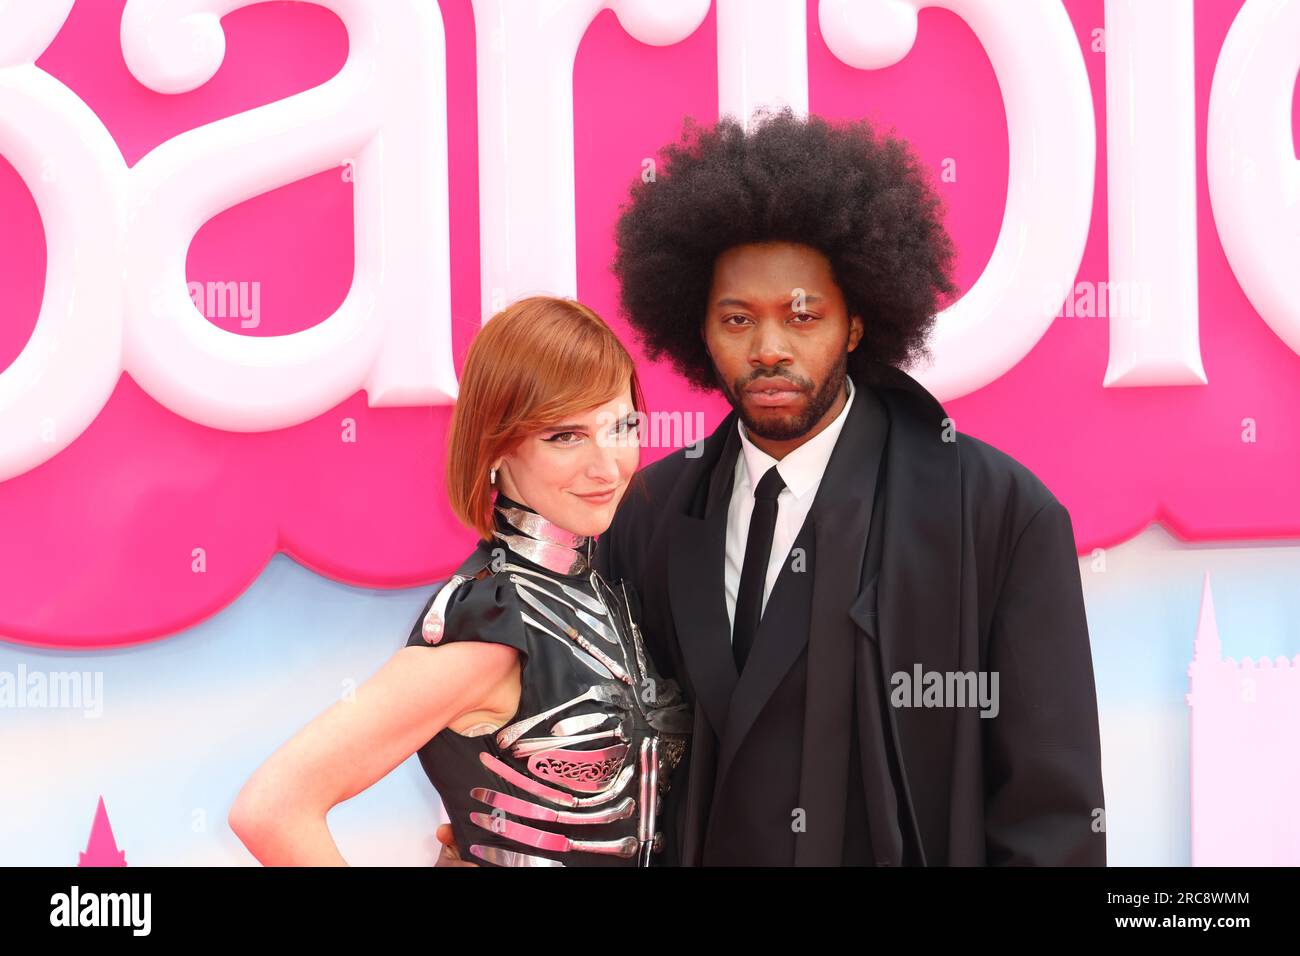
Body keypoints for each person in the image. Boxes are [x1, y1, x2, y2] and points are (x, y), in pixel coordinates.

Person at [440, 107, 1106, 866]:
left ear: (856, 322)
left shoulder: (995, 515)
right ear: (699, 330)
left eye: (803, 315)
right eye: (736, 320)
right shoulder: (643, 516)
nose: (768, 349)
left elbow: (1053, 819)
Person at [229, 296, 691, 867]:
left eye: (620, 426)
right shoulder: (491, 625)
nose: (608, 465)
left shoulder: (605, 588)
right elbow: (272, 807)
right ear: (496, 446)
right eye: (565, 436)